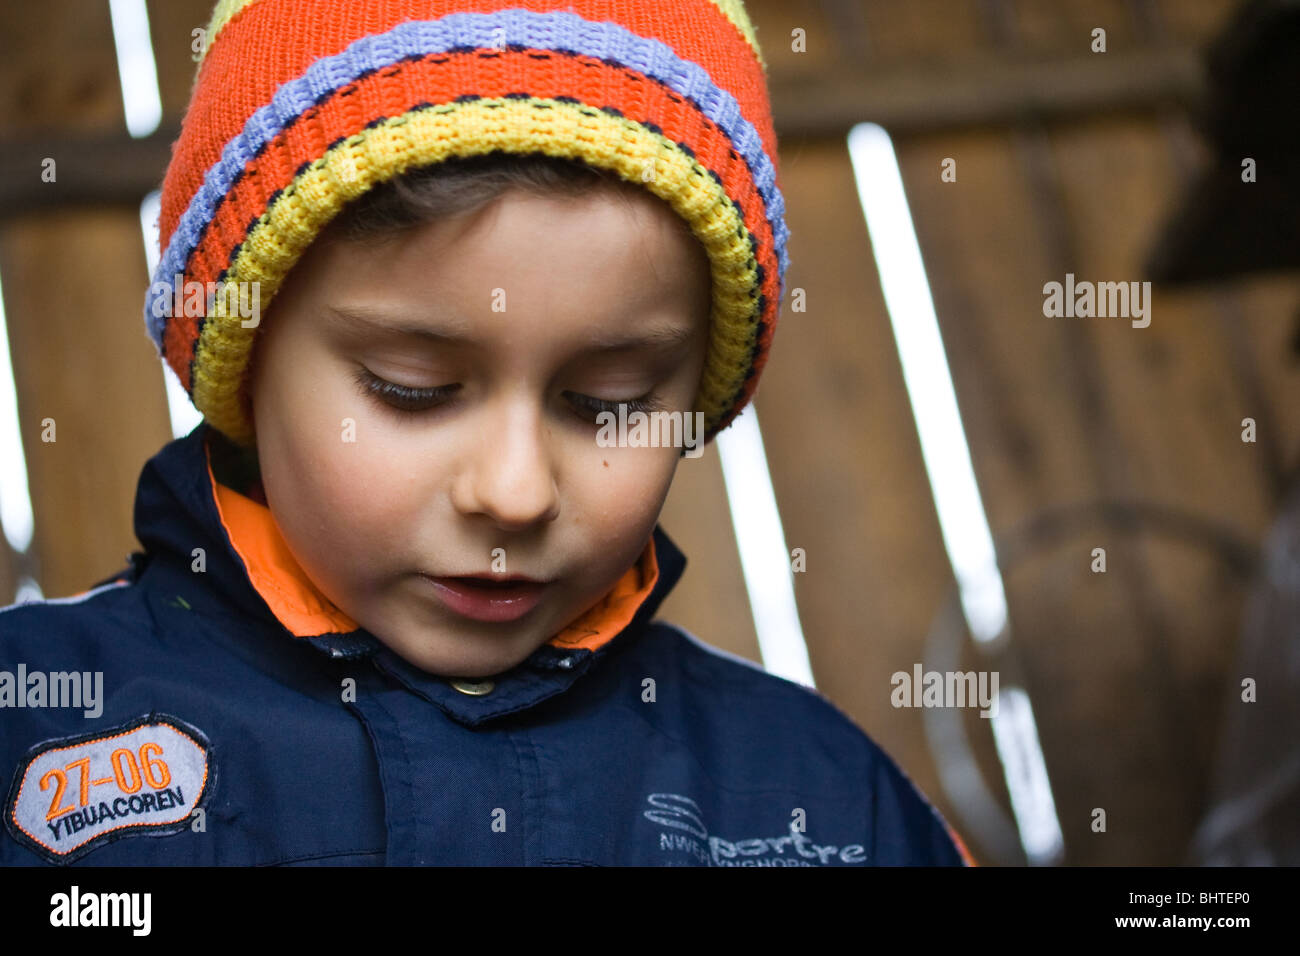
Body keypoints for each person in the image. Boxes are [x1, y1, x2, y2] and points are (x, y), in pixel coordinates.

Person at [0, 0, 972, 866]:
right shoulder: (33, 723)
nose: (515, 492)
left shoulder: (823, 800)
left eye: (610, 403)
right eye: (412, 388)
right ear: (245, 363)